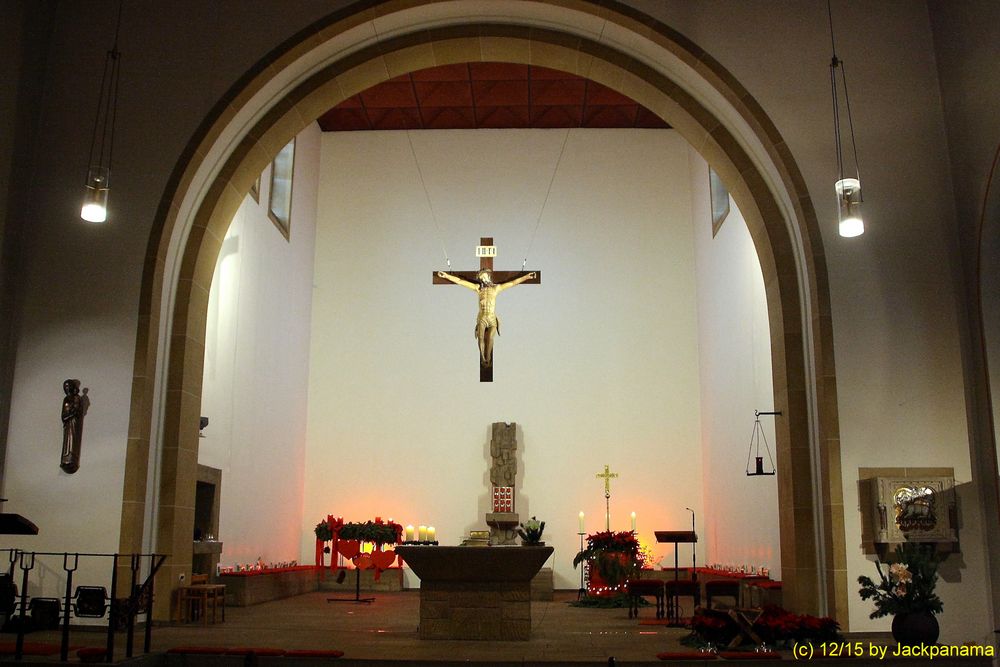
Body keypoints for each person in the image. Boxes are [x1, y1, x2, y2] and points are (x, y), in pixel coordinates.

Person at [437, 268, 536, 367]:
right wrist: (446, 276)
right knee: (480, 338)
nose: (482, 279)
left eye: (483, 276)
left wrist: (527, 277)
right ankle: (483, 358)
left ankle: (488, 358)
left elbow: (513, 283)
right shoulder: (478, 288)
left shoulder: (496, 288)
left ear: (488, 276)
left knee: (490, 338)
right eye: (481, 277)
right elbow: (460, 281)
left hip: (492, 318)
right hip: (482, 317)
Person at [60, 379, 86, 473]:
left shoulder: (77, 398)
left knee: (73, 439)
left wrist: (73, 413)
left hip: (74, 423)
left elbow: (78, 410)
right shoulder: (66, 399)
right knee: (67, 441)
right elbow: (63, 415)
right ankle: (65, 459)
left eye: (68, 386)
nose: (67, 388)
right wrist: (70, 415)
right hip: (68, 423)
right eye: (65, 386)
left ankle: (72, 459)